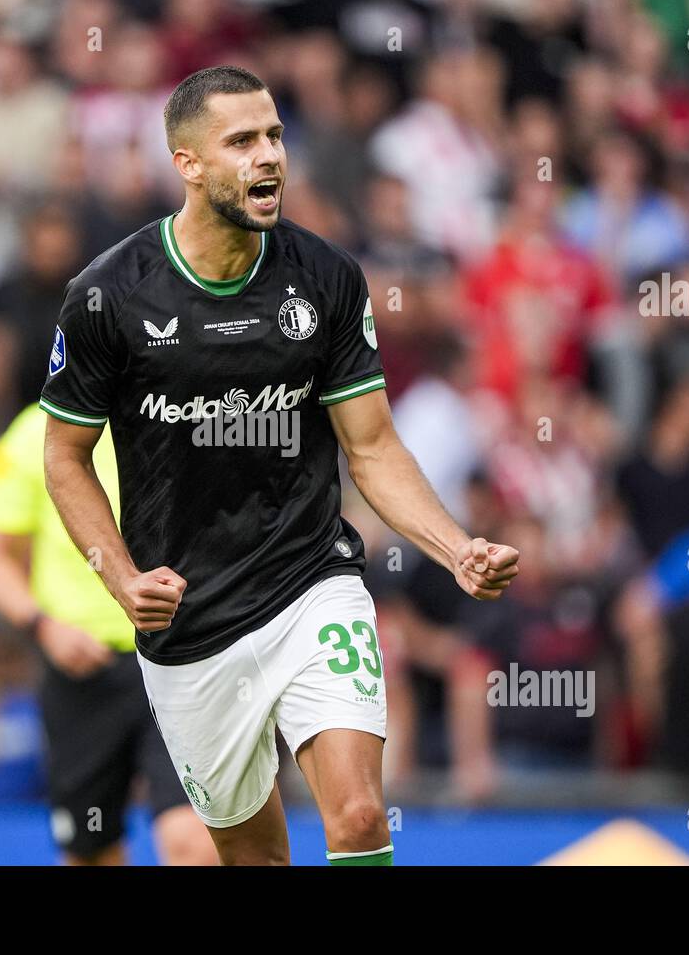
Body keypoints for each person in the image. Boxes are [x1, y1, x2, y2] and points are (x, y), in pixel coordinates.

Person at [40, 65, 520, 866]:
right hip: (189, 620)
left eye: (274, 136)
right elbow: (64, 459)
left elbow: (371, 446)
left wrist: (453, 544)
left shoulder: (326, 278)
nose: (268, 157)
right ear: (187, 163)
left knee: (361, 816)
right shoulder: (107, 298)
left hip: (310, 584)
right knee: (254, 857)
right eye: (241, 142)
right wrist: (120, 577)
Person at [0, 403, 217, 865]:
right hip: (81, 672)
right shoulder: (33, 434)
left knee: (194, 842)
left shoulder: (185, 411)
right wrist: (43, 627)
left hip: (182, 659)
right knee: (90, 849)